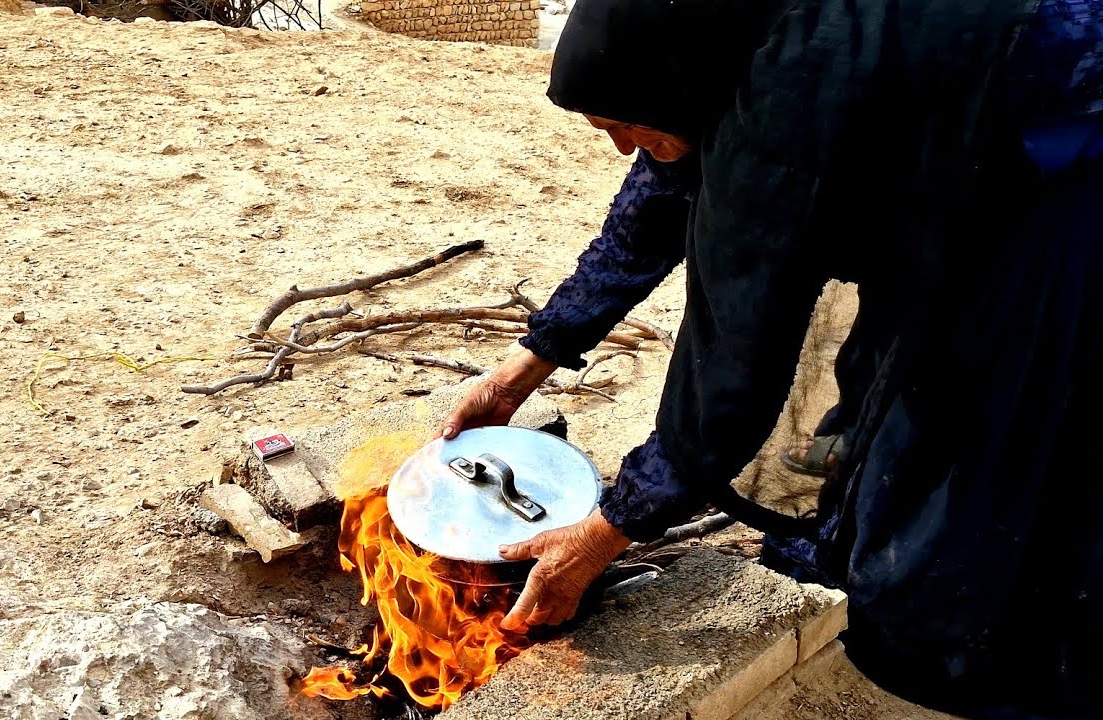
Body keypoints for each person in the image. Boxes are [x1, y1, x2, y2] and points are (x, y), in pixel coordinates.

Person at [438, 0, 1103, 716]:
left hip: (1047, 172)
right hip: (948, 140)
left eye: (621, 126)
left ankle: (987, 653)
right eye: (605, 130)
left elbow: (735, 362)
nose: (623, 149)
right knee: (896, 382)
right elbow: (650, 212)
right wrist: (521, 369)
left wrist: (606, 533)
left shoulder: (782, 110)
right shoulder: (708, 56)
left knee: (982, 420)